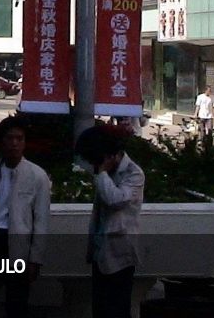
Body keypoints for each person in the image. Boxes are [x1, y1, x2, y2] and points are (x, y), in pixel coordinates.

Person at [0, 116, 50, 318]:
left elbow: (41, 220)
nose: (14, 143)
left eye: (19, 138)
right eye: (10, 138)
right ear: (2, 142)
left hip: (18, 243)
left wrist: (35, 259)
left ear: (24, 142)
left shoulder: (37, 176)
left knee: (17, 302)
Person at [78, 125, 145, 318]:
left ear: (109, 155)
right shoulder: (105, 172)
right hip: (100, 251)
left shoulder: (134, 173)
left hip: (120, 252)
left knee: (117, 307)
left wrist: (102, 173)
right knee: (100, 307)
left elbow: (114, 199)